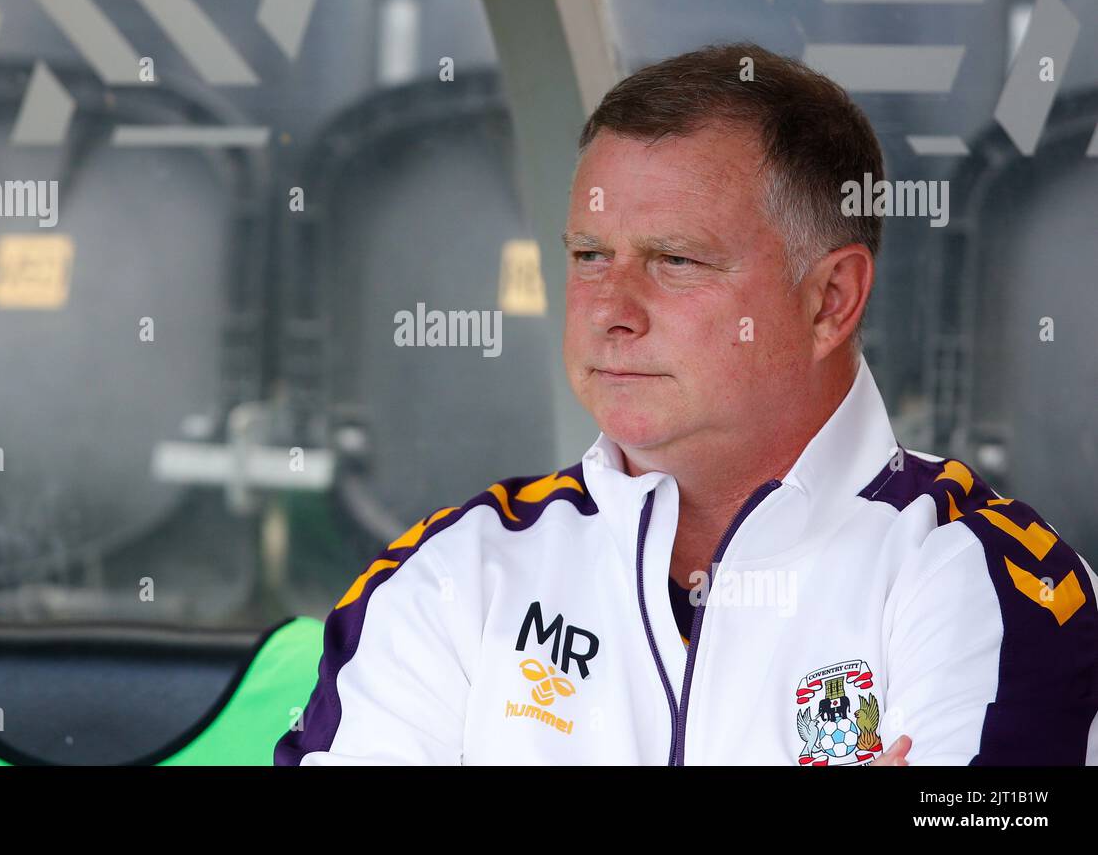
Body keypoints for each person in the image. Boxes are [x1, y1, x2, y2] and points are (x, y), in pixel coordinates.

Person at [274, 41, 1098, 765]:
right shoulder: (452, 576)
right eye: (590, 255)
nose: (611, 309)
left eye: (675, 261)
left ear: (829, 301)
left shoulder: (990, 587)